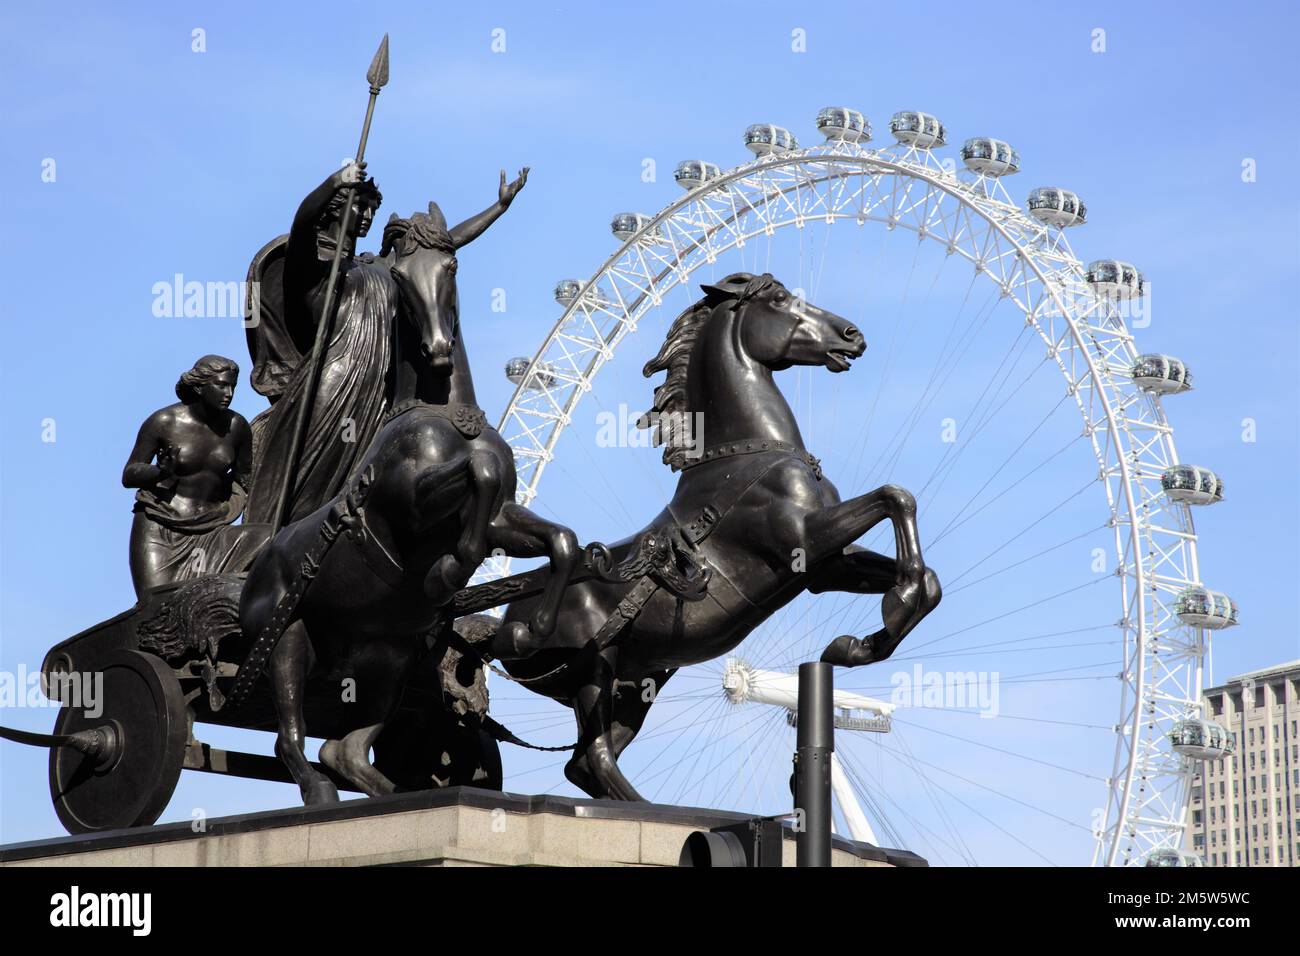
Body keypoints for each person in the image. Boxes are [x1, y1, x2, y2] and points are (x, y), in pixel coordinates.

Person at [122, 355, 271, 597]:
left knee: (269, 536)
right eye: (221, 385)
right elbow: (129, 475)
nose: (229, 393)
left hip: (212, 530)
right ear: (200, 386)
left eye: (233, 386)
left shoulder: (237, 427)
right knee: (157, 609)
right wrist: (160, 472)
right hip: (161, 528)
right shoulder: (163, 421)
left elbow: (246, 479)